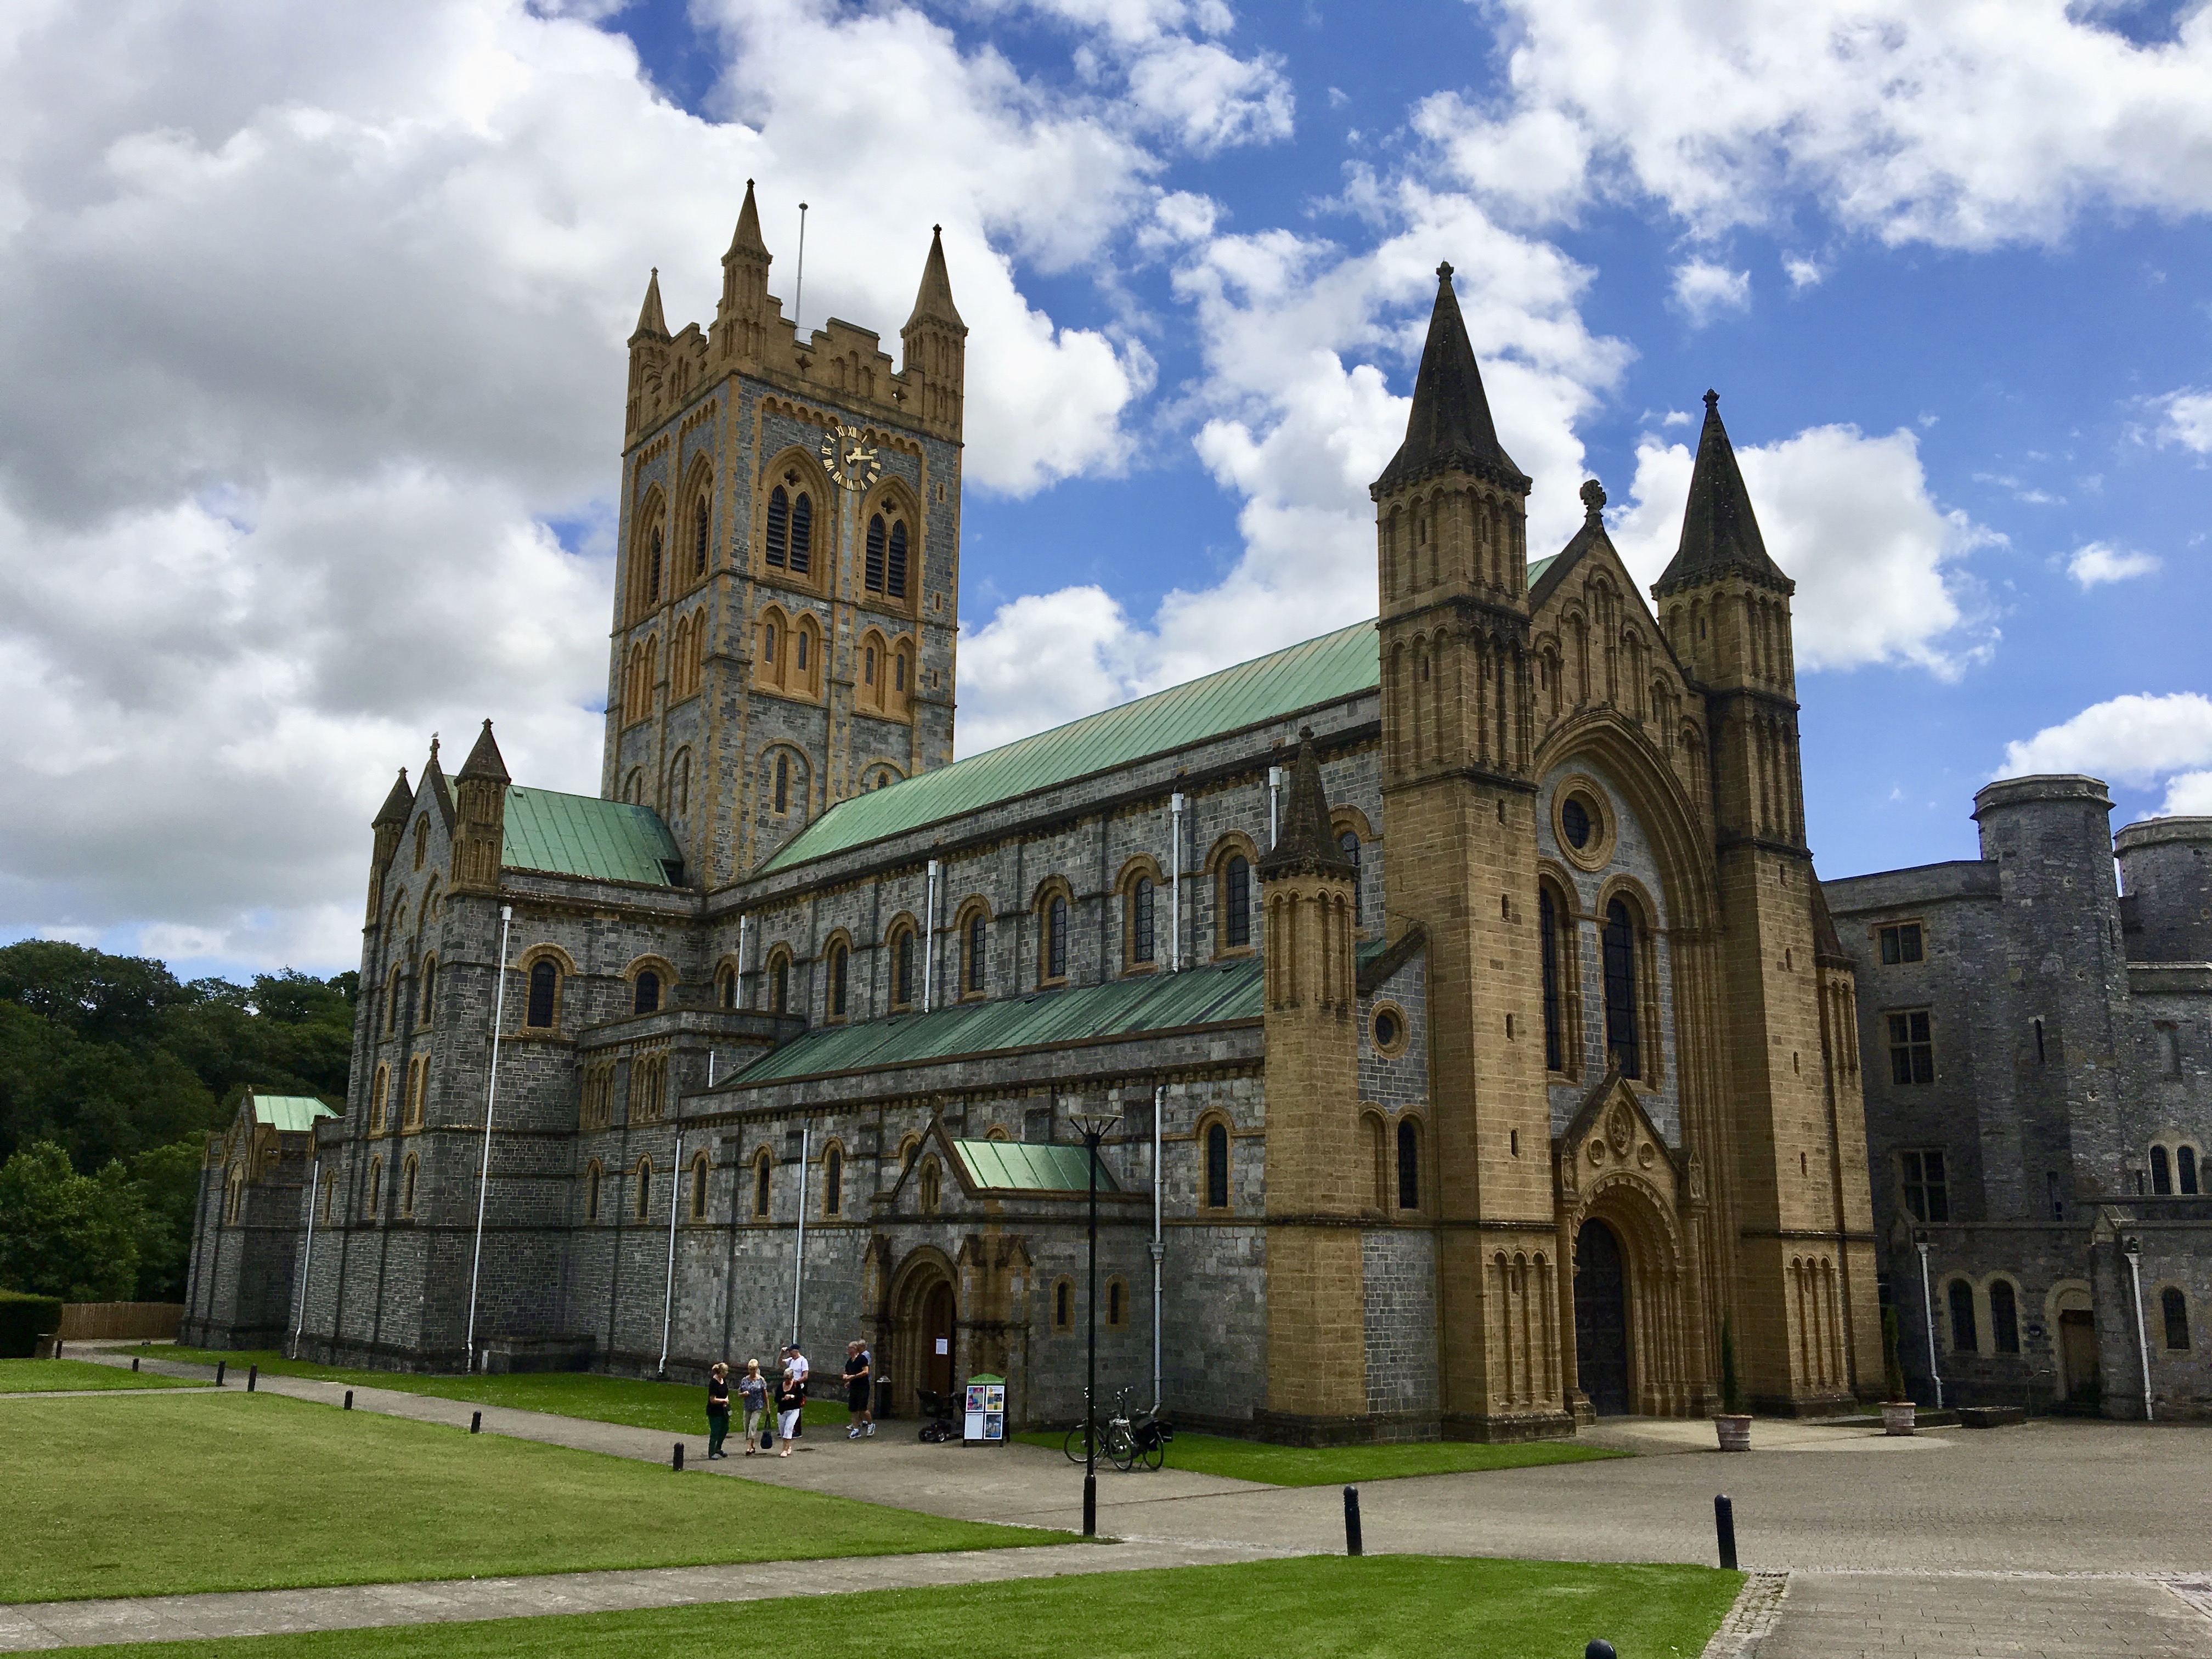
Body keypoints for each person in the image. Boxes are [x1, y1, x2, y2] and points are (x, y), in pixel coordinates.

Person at [775, 1350, 806, 1457]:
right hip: (782, 1410)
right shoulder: (780, 1387)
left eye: (788, 1379)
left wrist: (792, 1396)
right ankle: (788, 1446)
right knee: (783, 1430)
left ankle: (784, 1450)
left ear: (792, 1377)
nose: (787, 1381)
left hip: (794, 1410)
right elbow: (776, 1399)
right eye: (785, 1379)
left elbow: (800, 1397)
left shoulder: (796, 1385)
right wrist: (783, 1399)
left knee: (789, 1428)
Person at [843, 1340, 875, 1438]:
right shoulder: (849, 1362)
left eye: (850, 1349)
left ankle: (870, 1424)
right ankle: (856, 1429)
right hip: (854, 1387)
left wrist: (854, 1377)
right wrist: (846, 1378)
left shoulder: (862, 1359)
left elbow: (866, 1372)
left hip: (863, 1387)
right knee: (853, 1409)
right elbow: (847, 1373)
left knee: (863, 1409)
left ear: (855, 1349)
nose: (848, 1351)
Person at [737, 1359, 770, 1456]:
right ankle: (752, 1445)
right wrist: (744, 1394)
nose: (752, 1371)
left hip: (758, 1406)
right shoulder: (744, 1380)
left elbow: (765, 1394)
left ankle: (749, 1447)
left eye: (754, 1369)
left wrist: (767, 1407)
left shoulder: (761, 1380)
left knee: (753, 1425)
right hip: (747, 1406)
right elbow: (739, 1394)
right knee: (747, 1427)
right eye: (751, 1369)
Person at [706, 1362, 732, 1459]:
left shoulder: (723, 1380)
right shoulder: (713, 1382)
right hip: (714, 1411)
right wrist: (723, 1401)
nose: (727, 1373)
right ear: (721, 1372)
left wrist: (726, 1400)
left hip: (723, 1410)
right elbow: (713, 1399)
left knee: (725, 1429)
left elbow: (726, 1392)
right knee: (715, 1431)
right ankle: (711, 1452)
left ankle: (718, 1448)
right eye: (725, 1371)